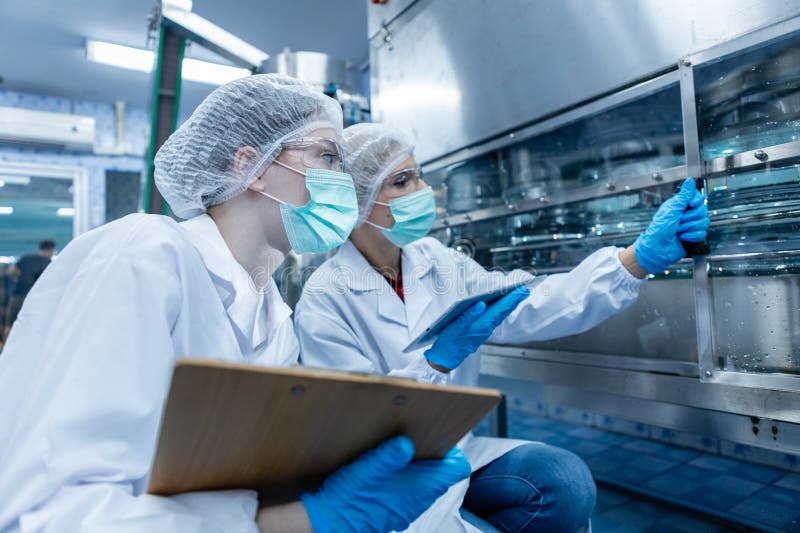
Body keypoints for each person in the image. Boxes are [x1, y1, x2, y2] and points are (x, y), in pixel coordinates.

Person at [0, 76, 470, 533]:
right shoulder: (145, 251)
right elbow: (51, 514)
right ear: (253, 167)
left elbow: (235, 486)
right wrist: (295, 525)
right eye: (326, 156)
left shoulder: (271, 313)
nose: (343, 183)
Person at [294, 123, 711, 532]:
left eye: (419, 176)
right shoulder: (325, 296)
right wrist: (433, 366)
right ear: (358, 201)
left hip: (454, 452)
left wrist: (635, 259)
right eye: (402, 182)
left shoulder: (433, 258)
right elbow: (356, 426)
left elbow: (530, 306)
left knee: (563, 482)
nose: (422, 192)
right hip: (384, 477)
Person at [2, 240, 55, 342]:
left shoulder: (25, 258)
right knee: (34, 326)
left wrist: (20, 277)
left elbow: (11, 271)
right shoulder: (48, 262)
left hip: (17, 296)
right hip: (35, 299)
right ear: (51, 250)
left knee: (9, 324)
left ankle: (4, 351)